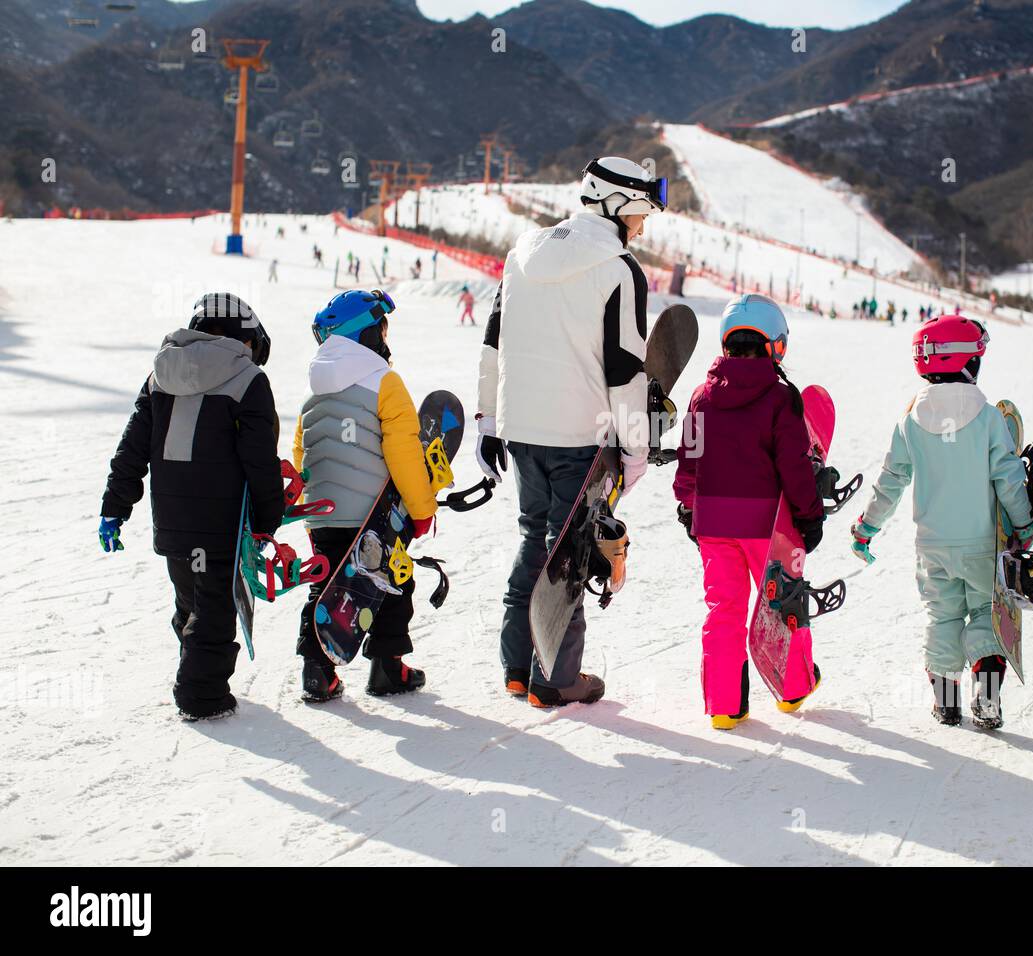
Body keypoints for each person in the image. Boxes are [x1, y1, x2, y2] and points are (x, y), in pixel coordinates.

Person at [475, 155, 662, 707]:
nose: (643, 226)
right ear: (618, 204)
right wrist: (635, 447)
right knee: (570, 553)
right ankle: (556, 679)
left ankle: (517, 666)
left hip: (521, 425)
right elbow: (626, 369)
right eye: (641, 214)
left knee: (536, 537)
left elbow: (492, 343)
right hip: (581, 431)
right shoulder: (621, 269)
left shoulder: (520, 252)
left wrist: (487, 421)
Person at [98, 293, 281, 721]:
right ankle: (201, 696)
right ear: (244, 337)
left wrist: (115, 506)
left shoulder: (160, 375)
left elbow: (132, 449)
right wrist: (269, 518)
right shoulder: (248, 378)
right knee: (214, 609)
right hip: (219, 521)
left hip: (172, 519)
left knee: (190, 600)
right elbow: (259, 457)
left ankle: (194, 669)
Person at [850, 314, 1033, 729]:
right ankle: (987, 700)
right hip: (982, 544)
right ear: (967, 362)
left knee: (943, 617)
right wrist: (1023, 526)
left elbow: (892, 480)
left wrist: (867, 528)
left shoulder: (910, 420)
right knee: (987, 616)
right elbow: (1008, 477)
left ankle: (945, 702)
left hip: (932, 546)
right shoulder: (988, 418)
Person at [673, 295, 824, 729]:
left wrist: (688, 507)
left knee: (723, 609)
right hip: (766, 525)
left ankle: (724, 705)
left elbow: (690, 458)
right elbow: (794, 467)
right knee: (781, 603)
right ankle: (793, 688)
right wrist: (809, 515)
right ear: (775, 345)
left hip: (715, 523)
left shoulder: (702, 397)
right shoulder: (781, 399)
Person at [292, 290, 437, 702]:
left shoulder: (312, 396)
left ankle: (317, 672)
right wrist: (422, 508)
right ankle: (388, 669)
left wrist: (312, 518)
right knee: (390, 582)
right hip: (373, 513)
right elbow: (404, 452)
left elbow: (302, 458)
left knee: (327, 586)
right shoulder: (385, 383)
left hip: (324, 514)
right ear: (369, 335)